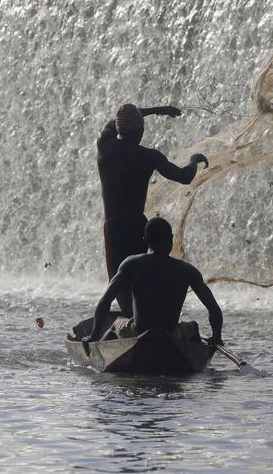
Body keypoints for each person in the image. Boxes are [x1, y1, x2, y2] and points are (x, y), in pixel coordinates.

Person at [97, 103, 208, 317]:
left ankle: (133, 323)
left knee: (120, 281)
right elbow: (184, 177)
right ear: (141, 130)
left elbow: (115, 122)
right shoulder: (148, 157)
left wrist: (155, 110)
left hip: (114, 227)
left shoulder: (105, 145)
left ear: (119, 130)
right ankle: (146, 322)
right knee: (140, 277)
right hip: (138, 227)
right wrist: (194, 160)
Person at [91, 217, 223, 346]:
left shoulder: (131, 264)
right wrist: (217, 337)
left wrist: (93, 335)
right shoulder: (187, 270)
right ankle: (192, 356)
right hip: (170, 334)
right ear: (171, 239)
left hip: (139, 333)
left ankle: (97, 347)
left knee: (117, 323)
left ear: (146, 241)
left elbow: (105, 301)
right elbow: (213, 309)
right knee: (193, 326)